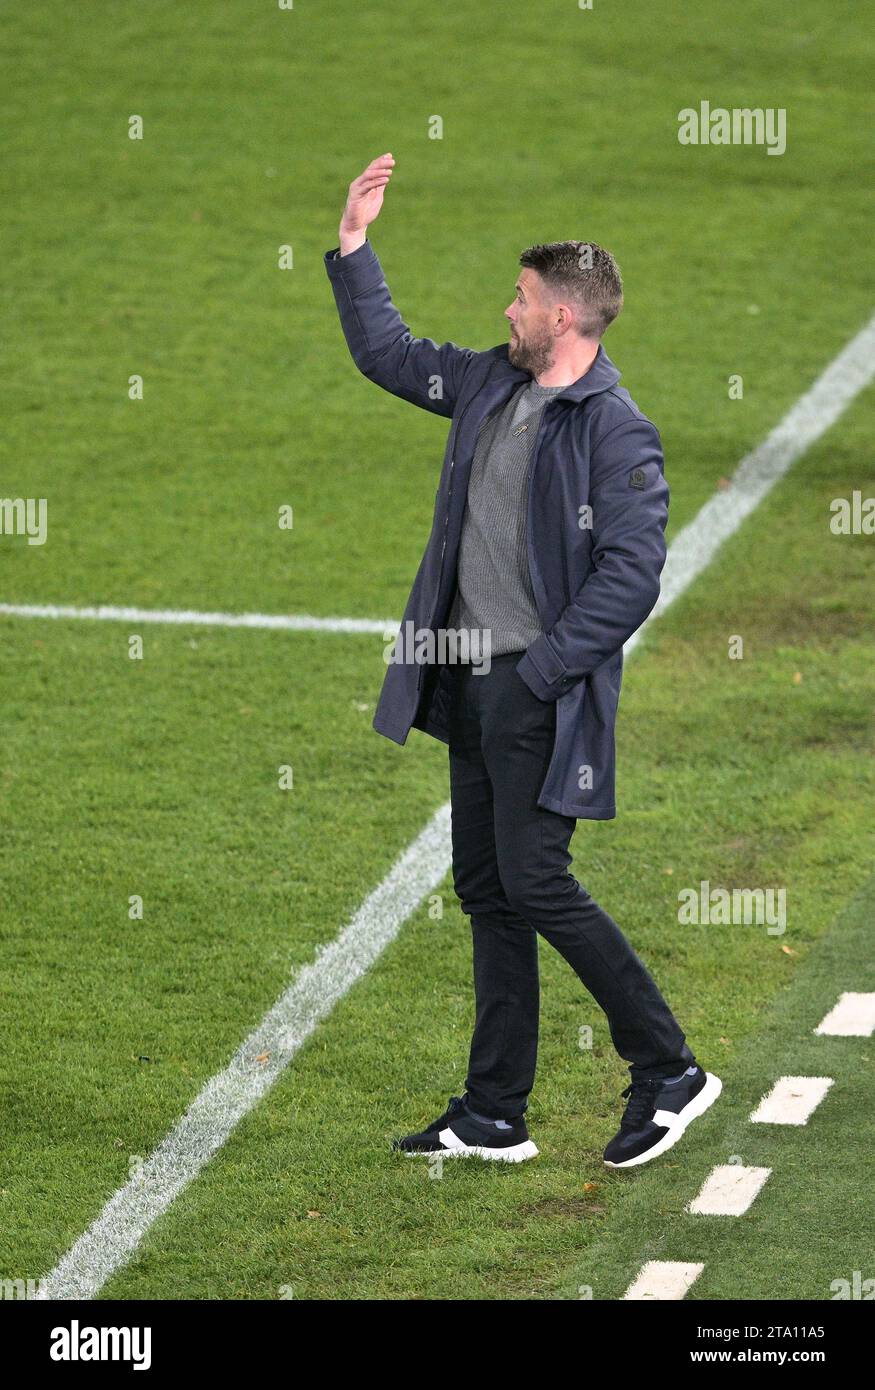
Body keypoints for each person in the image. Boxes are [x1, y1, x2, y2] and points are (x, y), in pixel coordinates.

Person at [324, 154, 721, 1168]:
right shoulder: (487, 381)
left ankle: (667, 1068)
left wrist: (540, 675)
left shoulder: (615, 434)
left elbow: (631, 579)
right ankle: (494, 1109)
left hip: (530, 690)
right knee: (488, 889)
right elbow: (387, 355)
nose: (508, 308)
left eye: (523, 298)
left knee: (536, 882)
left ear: (567, 321)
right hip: (464, 679)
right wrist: (355, 248)